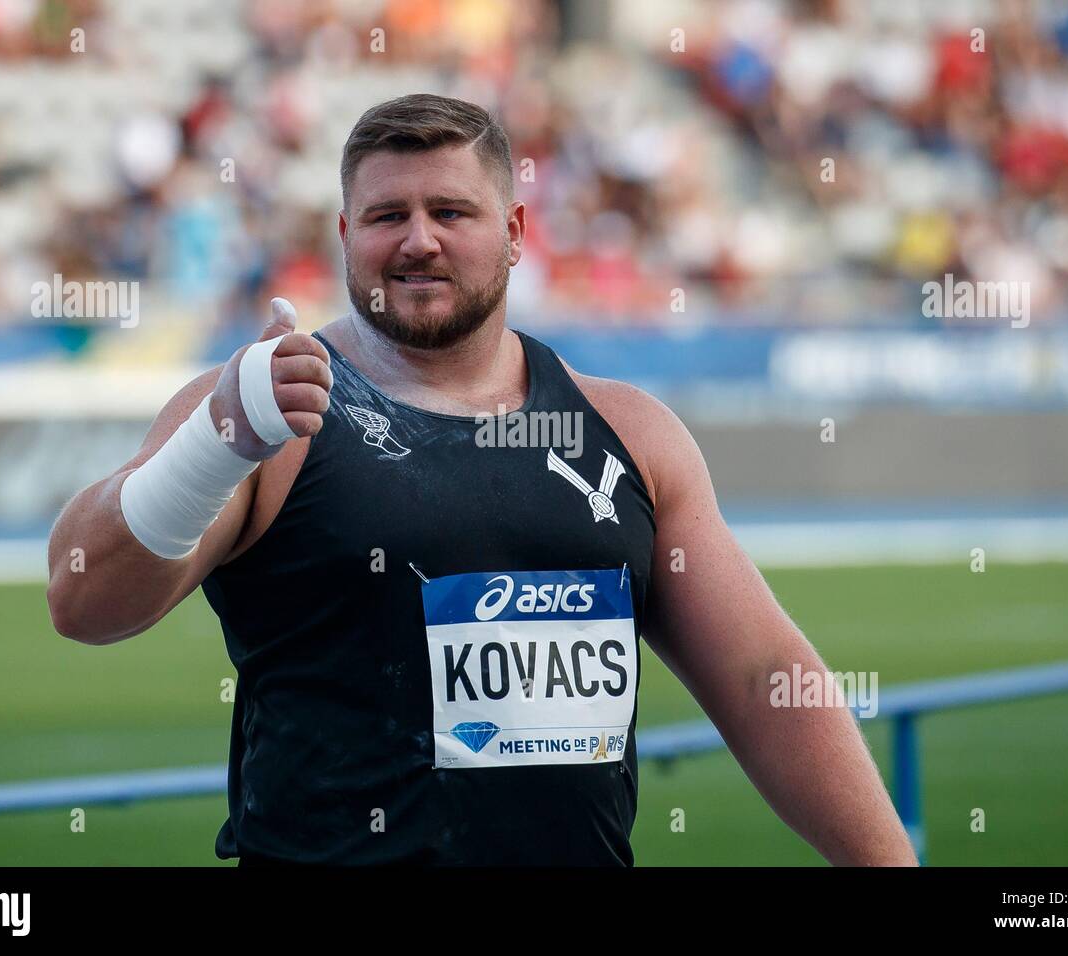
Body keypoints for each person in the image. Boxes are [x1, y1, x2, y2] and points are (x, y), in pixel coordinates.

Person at [46, 93, 917, 866]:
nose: (418, 239)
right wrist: (217, 441)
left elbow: (766, 677)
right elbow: (83, 600)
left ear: (513, 233)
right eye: (387, 215)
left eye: (451, 211)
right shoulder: (270, 413)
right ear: (345, 237)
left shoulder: (631, 434)